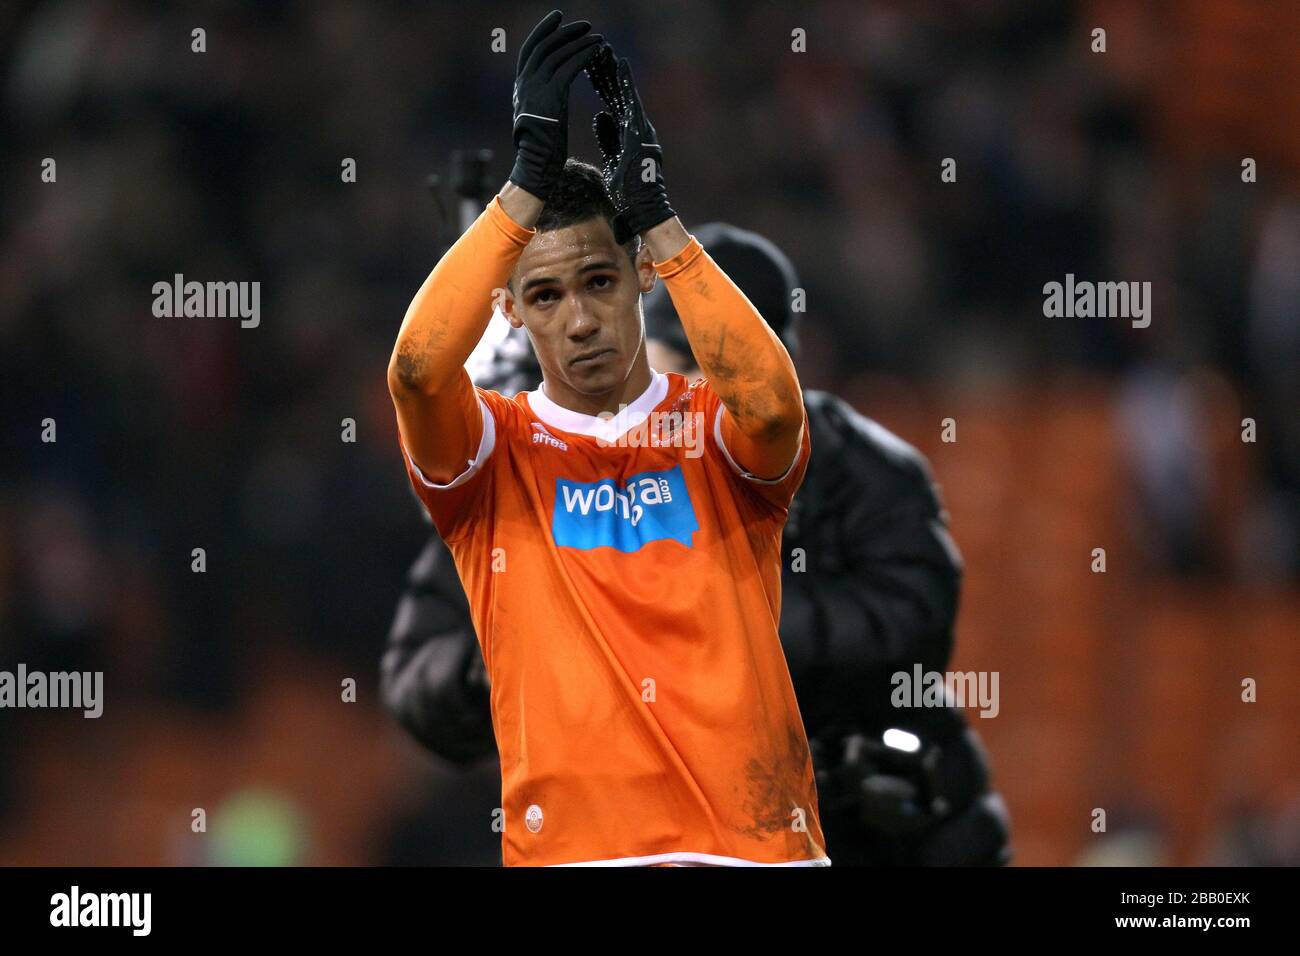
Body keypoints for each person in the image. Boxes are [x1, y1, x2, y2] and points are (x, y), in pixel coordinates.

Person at [384, 221, 1012, 866]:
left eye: (702, 360)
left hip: (873, 816)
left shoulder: (845, 462)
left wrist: (715, 628)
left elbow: (916, 625)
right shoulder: (522, 463)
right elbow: (418, 678)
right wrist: (510, 665)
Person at [386, 14, 826, 866]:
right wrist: (521, 191)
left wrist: (658, 219)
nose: (581, 320)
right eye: (544, 296)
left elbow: (775, 411)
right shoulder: (490, 456)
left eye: (598, 280)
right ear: (509, 311)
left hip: (753, 851)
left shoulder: (711, 426)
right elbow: (414, 374)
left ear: (639, 278)